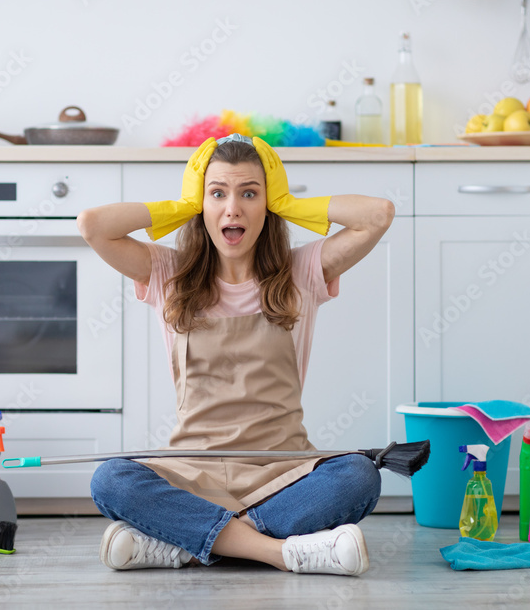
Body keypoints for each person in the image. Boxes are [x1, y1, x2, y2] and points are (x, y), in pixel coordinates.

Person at [77, 133, 394, 576]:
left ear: (269, 205)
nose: (233, 209)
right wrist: (183, 203)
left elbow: (378, 215)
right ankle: (275, 551)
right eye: (217, 193)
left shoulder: (300, 272)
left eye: (250, 193)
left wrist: (288, 200)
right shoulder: (169, 273)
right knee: (111, 479)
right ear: (200, 205)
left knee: (358, 476)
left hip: (281, 473)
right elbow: (93, 224)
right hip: (190, 471)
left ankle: (186, 543)